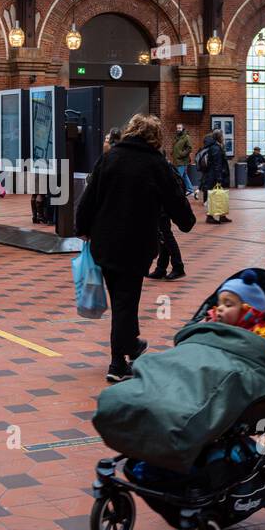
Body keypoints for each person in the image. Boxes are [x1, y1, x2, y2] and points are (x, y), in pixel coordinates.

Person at [76, 113, 196, 383]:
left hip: (105, 244)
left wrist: (82, 229)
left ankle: (131, 345)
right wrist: (187, 221)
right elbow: (176, 200)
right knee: (125, 302)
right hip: (136, 245)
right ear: (154, 136)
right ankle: (118, 363)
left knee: (123, 299)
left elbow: (88, 198)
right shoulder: (156, 164)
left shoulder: (109, 158)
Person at [147, 164, 187, 281]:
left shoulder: (158, 167)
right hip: (161, 206)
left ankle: (178, 267)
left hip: (161, 207)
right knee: (162, 236)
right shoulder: (161, 165)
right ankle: (161, 268)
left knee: (166, 236)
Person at [199, 128, 231, 221]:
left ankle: (222, 215)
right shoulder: (216, 148)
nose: (223, 137)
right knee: (214, 196)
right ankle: (210, 217)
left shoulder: (216, 146)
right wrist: (219, 178)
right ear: (219, 137)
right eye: (222, 136)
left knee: (219, 195)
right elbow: (217, 165)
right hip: (214, 176)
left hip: (214, 175)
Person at [171, 123, 195, 195]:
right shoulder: (176, 137)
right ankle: (190, 189)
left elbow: (189, 148)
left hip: (182, 160)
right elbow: (175, 147)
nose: (178, 129)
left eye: (179, 128)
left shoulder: (186, 137)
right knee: (184, 175)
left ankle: (176, 191)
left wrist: (182, 154)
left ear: (182, 128)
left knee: (178, 176)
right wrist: (172, 152)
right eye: (177, 128)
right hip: (176, 160)